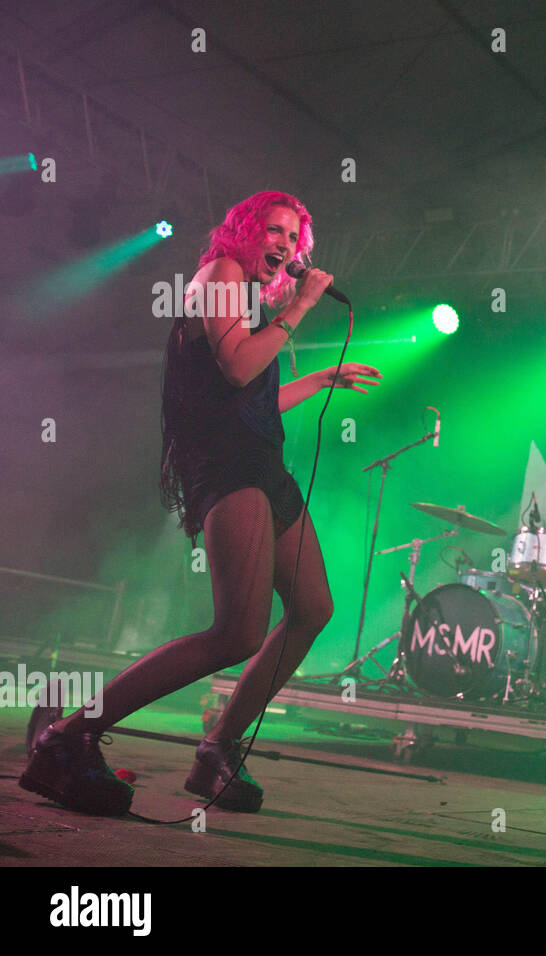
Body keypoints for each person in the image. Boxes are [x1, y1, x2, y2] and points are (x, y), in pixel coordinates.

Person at [21, 191, 381, 815]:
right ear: (245, 229)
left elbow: (253, 395)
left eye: (295, 241)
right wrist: (298, 306)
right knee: (235, 633)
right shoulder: (220, 275)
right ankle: (69, 733)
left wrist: (320, 379)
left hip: (264, 464)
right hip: (226, 467)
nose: (286, 247)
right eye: (275, 231)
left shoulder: (246, 296)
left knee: (311, 608)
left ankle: (218, 745)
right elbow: (239, 370)